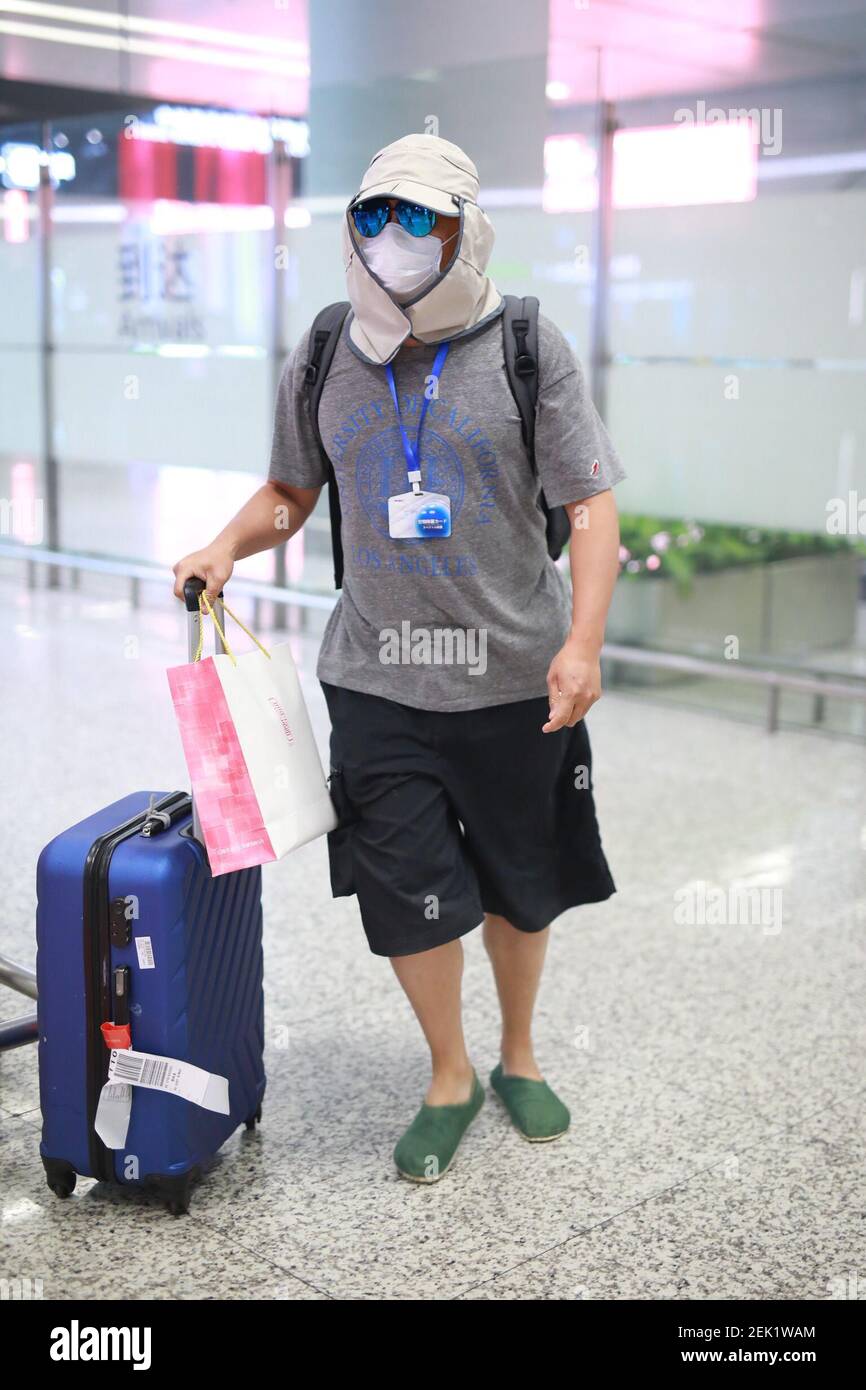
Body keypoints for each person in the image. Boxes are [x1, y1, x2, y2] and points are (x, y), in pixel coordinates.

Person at [173, 132, 627, 1183]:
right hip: (375, 678)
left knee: (522, 883)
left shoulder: (524, 345)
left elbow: (590, 506)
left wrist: (583, 641)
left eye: (419, 217)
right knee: (406, 887)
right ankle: (449, 1072)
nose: (394, 238)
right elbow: (290, 491)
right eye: (375, 216)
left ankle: (517, 1053)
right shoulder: (329, 347)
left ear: (465, 228)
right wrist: (225, 543)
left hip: (517, 679)